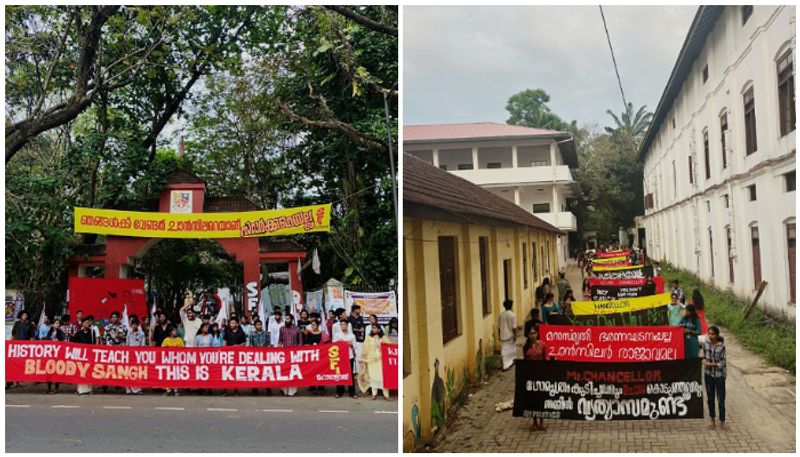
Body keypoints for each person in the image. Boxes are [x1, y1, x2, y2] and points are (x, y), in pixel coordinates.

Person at [523, 325, 548, 431]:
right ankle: (534, 421)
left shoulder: (542, 345)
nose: (532, 335)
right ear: (527, 335)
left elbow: (545, 359)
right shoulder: (525, 347)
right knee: (532, 399)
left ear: (537, 334)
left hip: (540, 374)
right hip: (530, 375)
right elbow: (525, 361)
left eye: (534, 333)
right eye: (530, 333)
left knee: (540, 398)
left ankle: (541, 422)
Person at [703, 326, 728, 430]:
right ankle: (712, 420)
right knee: (710, 398)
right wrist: (704, 361)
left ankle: (722, 421)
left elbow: (723, 362)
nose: (710, 336)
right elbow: (703, 356)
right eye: (709, 334)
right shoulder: (706, 344)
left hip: (719, 376)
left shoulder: (722, 347)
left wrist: (713, 365)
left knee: (720, 398)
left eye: (712, 334)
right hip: (708, 375)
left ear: (717, 335)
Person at [359, 323, 391, 401]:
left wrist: (385, 344)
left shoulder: (384, 338)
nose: (374, 329)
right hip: (371, 360)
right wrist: (363, 359)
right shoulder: (368, 338)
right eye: (373, 328)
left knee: (383, 377)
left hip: (382, 360)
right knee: (373, 376)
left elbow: (389, 347)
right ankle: (374, 394)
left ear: (379, 329)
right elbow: (365, 349)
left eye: (375, 328)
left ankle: (386, 395)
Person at [279, 314, 303, 396]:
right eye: (285, 318)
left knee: (293, 372)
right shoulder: (282, 329)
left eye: (288, 318)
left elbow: (300, 342)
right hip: (284, 354)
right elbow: (280, 341)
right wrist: (279, 350)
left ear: (292, 320)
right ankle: (284, 390)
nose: (286, 320)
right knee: (284, 371)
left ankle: (293, 391)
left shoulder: (297, 329)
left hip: (294, 354)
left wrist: (297, 350)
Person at [72, 317, 98, 395]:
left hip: (89, 355)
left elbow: (93, 343)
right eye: (86, 323)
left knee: (89, 372)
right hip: (80, 356)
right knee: (81, 372)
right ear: (82, 324)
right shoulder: (78, 333)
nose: (87, 324)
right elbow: (73, 343)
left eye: (88, 323)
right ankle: (80, 390)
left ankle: (89, 389)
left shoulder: (92, 332)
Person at [333, 320, 357, 399]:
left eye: (344, 324)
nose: (342, 325)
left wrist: (351, 345)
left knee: (350, 374)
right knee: (340, 374)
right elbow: (333, 346)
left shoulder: (352, 335)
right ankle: (339, 391)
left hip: (349, 357)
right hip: (340, 357)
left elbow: (355, 347)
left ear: (347, 325)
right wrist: (338, 342)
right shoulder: (337, 335)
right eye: (341, 324)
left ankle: (352, 392)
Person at [125, 317, 146, 395]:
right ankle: (128, 389)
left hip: (137, 355)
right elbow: (127, 344)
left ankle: (137, 389)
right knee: (128, 371)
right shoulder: (129, 333)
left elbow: (143, 345)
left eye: (135, 325)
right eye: (132, 325)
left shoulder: (141, 334)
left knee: (136, 372)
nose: (134, 326)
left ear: (138, 325)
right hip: (129, 355)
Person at [161, 327, 185, 396]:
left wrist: (178, 348)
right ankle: (168, 389)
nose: (175, 332)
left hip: (177, 361)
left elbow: (183, 350)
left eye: (175, 331)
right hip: (168, 361)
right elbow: (161, 350)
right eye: (174, 331)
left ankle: (176, 389)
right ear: (170, 332)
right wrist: (165, 348)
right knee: (168, 375)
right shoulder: (166, 340)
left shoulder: (179, 340)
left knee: (176, 375)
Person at [303, 320, 325, 396]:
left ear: (318, 325)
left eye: (314, 325)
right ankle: (312, 387)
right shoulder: (308, 333)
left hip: (320, 355)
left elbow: (325, 344)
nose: (313, 326)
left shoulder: (322, 333)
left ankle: (320, 388)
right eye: (312, 325)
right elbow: (306, 343)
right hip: (312, 355)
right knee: (312, 371)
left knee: (320, 371)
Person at [44, 320, 65, 394]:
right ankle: (49, 388)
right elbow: (46, 341)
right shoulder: (49, 333)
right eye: (56, 323)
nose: (58, 324)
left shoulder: (61, 333)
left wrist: (59, 341)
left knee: (57, 371)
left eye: (59, 323)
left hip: (58, 355)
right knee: (49, 371)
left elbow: (64, 342)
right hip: (50, 355)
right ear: (53, 324)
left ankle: (56, 388)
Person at [498, 299, 517, 371]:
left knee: (504, 350)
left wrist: (499, 334)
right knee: (511, 348)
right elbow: (514, 327)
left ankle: (507, 364)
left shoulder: (501, 315)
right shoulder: (513, 315)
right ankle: (508, 364)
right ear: (511, 306)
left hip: (503, 334)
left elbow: (499, 326)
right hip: (510, 335)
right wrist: (515, 335)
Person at [348, 305, 366, 375]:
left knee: (359, 355)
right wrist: (358, 330)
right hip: (352, 340)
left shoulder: (360, 318)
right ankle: (353, 372)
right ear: (355, 310)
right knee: (353, 355)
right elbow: (351, 329)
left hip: (360, 340)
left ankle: (358, 372)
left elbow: (362, 328)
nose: (360, 311)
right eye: (359, 309)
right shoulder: (349, 318)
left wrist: (361, 335)